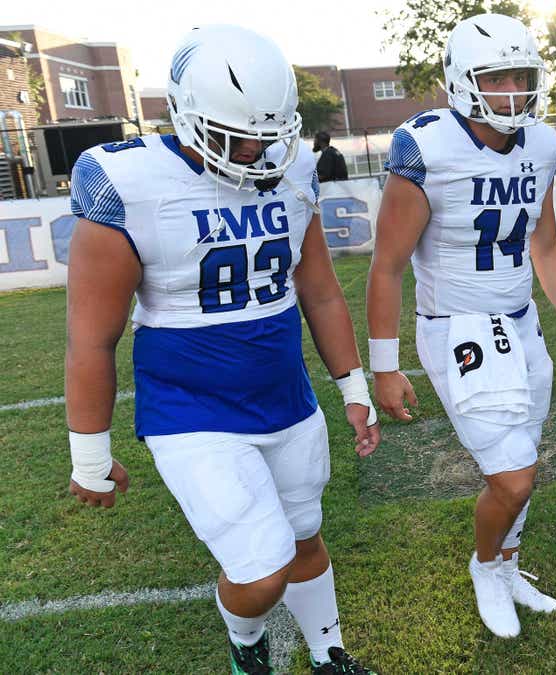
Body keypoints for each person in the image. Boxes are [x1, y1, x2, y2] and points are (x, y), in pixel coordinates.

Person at [65, 25, 378, 674]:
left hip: (285, 397)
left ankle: (328, 653)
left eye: (269, 133)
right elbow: (93, 336)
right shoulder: (130, 181)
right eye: (236, 134)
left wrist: (352, 387)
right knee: (261, 570)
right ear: (185, 114)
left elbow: (319, 290)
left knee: (305, 536)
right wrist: (89, 452)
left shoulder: (293, 169)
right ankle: (245, 641)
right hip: (192, 408)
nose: (257, 151)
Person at [366, 13, 556, 639]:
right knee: (514, 477)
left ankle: (508, 564)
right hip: (458, 327)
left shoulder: (542, 145)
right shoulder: (426, 145)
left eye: (520, 77)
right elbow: (387, 265)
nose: (513, 92)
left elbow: (545, 247)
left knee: (524, 460)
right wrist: (384, 366)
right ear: (462, 80)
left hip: (521, 323)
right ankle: (484, 567)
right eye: (496, 78)